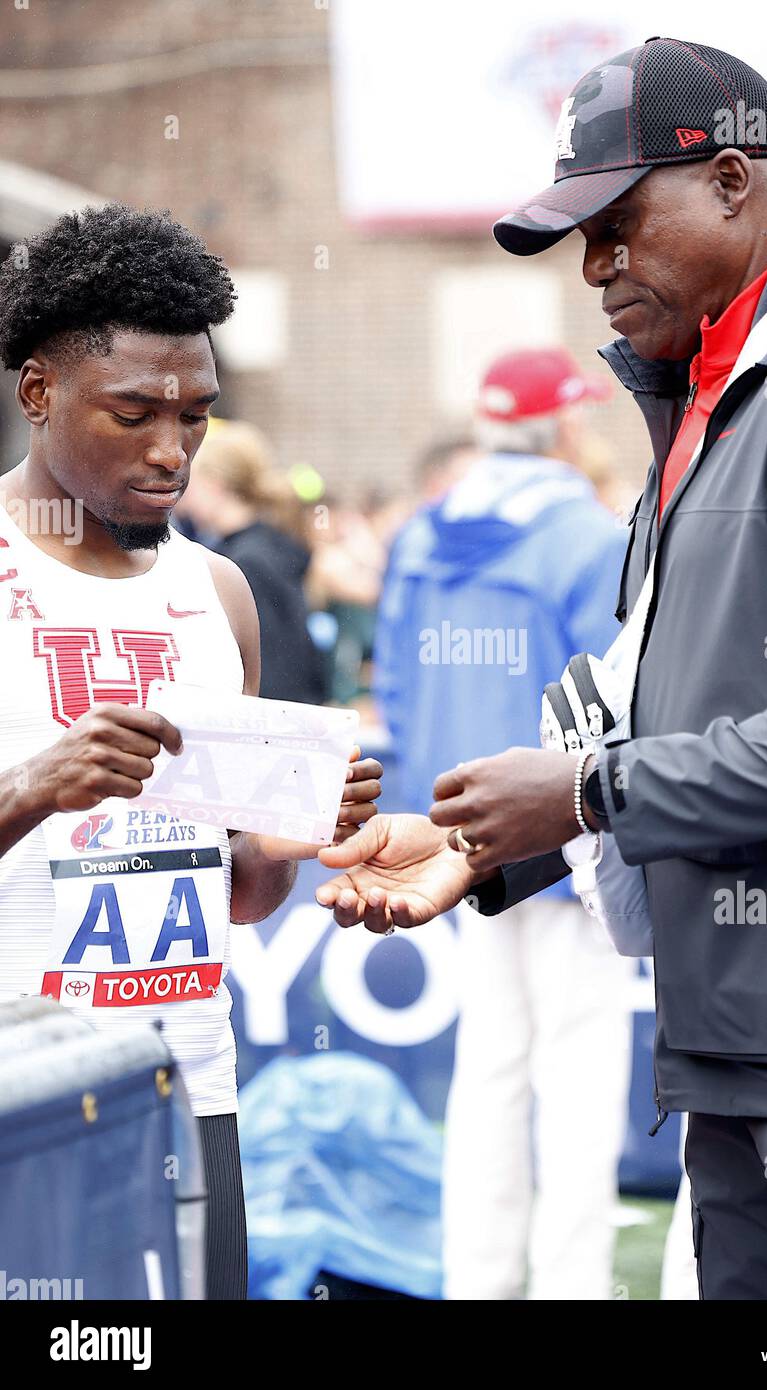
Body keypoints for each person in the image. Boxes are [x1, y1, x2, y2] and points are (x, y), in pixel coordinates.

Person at [316, 37, 767, 1301]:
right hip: (753, 1062)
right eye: (581, 237)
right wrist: (495, 845)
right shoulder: (712, 394)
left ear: (728, 182)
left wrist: (593, 793)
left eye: (614, 224)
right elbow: (699, 712)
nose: (594, 267)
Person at [0, 203, 382, 1300]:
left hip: (188, 1086)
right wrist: (32, 787)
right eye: (132, 414)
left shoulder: (217, 591)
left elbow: (241, 892)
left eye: (197, 417)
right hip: (22, 1098)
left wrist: (299, 837)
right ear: (39, 392)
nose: (171, 450)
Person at [374, 351, 630, 1300]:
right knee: (577, 1071)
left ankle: (479, 1285)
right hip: (561, 834)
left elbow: (394, 691)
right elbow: (612, 701)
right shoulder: (586, 532)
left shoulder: (423, 528)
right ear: (563, 428)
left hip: (452, 839)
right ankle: (571, 1288)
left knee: (488, 1072)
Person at [174, 418, 329, 705]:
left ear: (216, 486)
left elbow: (271, 667)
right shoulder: (269, 545)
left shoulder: (245, 563)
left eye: (191, 483)